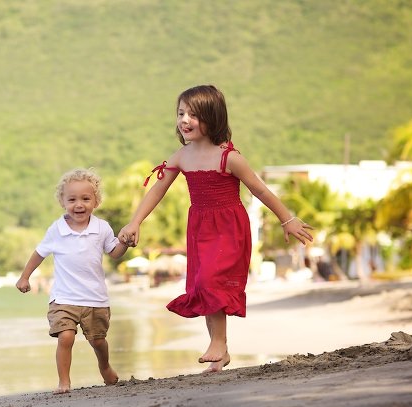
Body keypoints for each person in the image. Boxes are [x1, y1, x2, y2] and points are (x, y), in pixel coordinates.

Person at [118, 85, 313, 373]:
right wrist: (135, 222)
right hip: (199, 227)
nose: (184, 120)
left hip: (229, 227)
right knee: (203, 286)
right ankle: (220, 353)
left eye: (193, 115)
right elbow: (157, 191)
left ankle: (218, 343)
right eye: (181, 113)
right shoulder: (181, 156)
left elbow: (260, 190)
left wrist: (287, 219)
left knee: (211, 282)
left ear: (213, 119)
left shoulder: (229, 157)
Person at [17, 168, 129, 394]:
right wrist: (25, 276)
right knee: (65, 337)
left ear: (96, 201)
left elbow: (114, 252)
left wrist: (126, 242)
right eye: (72, 199)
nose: (79, 204)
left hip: (95, 299)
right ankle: (64, 382)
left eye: (86, 199)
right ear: (62, 202)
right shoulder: (56, 229)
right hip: (64, 298)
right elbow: (39, 253)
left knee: (98, 340)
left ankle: (104, 366)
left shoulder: (101, 228)